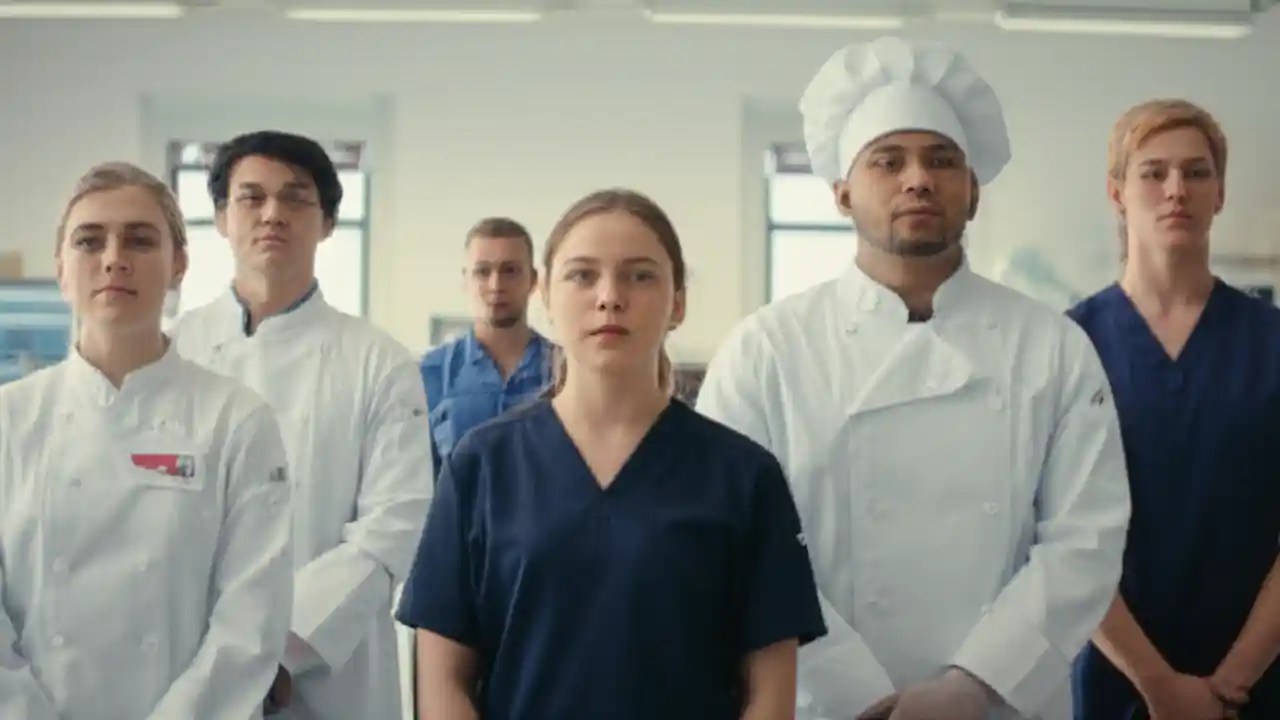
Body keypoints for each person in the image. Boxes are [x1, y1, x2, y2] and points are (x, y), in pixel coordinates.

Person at [695, 36, 1132, 720]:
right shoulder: (766, 352)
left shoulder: (1052, 347)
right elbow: (732, 547)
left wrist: (972, 684)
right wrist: (853, 691)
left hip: (1001, 703)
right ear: (842, 192)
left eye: (941, 160)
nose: (917, 179)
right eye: (887, 161)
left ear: (974, 191)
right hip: (820, 703)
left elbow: (1087, 541)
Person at [395, 188, 828, 720]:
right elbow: (442, 680)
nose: (609, 296)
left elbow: (769, 690)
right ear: (547, 297)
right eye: (582, 275)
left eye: (640, 275)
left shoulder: (743, 475)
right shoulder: (482, 465)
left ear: (679, 301)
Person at [0, 162, 293, 719]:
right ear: (62, 269)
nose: (114, 257)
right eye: (90, 241)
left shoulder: (235, 421)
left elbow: (251, 621)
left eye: (140, 239)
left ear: (178, 266)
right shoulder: (9, 420)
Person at [172, 131, 433, 720]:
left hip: (323, 671)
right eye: (251, 197)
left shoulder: (377, 360)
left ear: (328, 222)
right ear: (219, 217)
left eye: (295, 199)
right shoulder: (172, 351)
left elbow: (394, 524)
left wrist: (279, 652)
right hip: (183, 662)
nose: (272, 214)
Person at [1068, 99, 1280, 720]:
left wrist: (1234, 679)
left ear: (1220, 193)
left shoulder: (1271, 343)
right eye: (1153, 172)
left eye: (1197, 172)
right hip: (1119, 679)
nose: (1175, 190)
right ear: (1116, 192)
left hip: (1256, 679)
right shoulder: (1069, 347)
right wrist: (1159, 685)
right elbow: (1053, 537)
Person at [421, 216, 554, 477]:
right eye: (483, 271)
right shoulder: (429, 373)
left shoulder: (567, 370)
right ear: (465, 280)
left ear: (533, 280)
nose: (496, 286)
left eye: (510, 270)